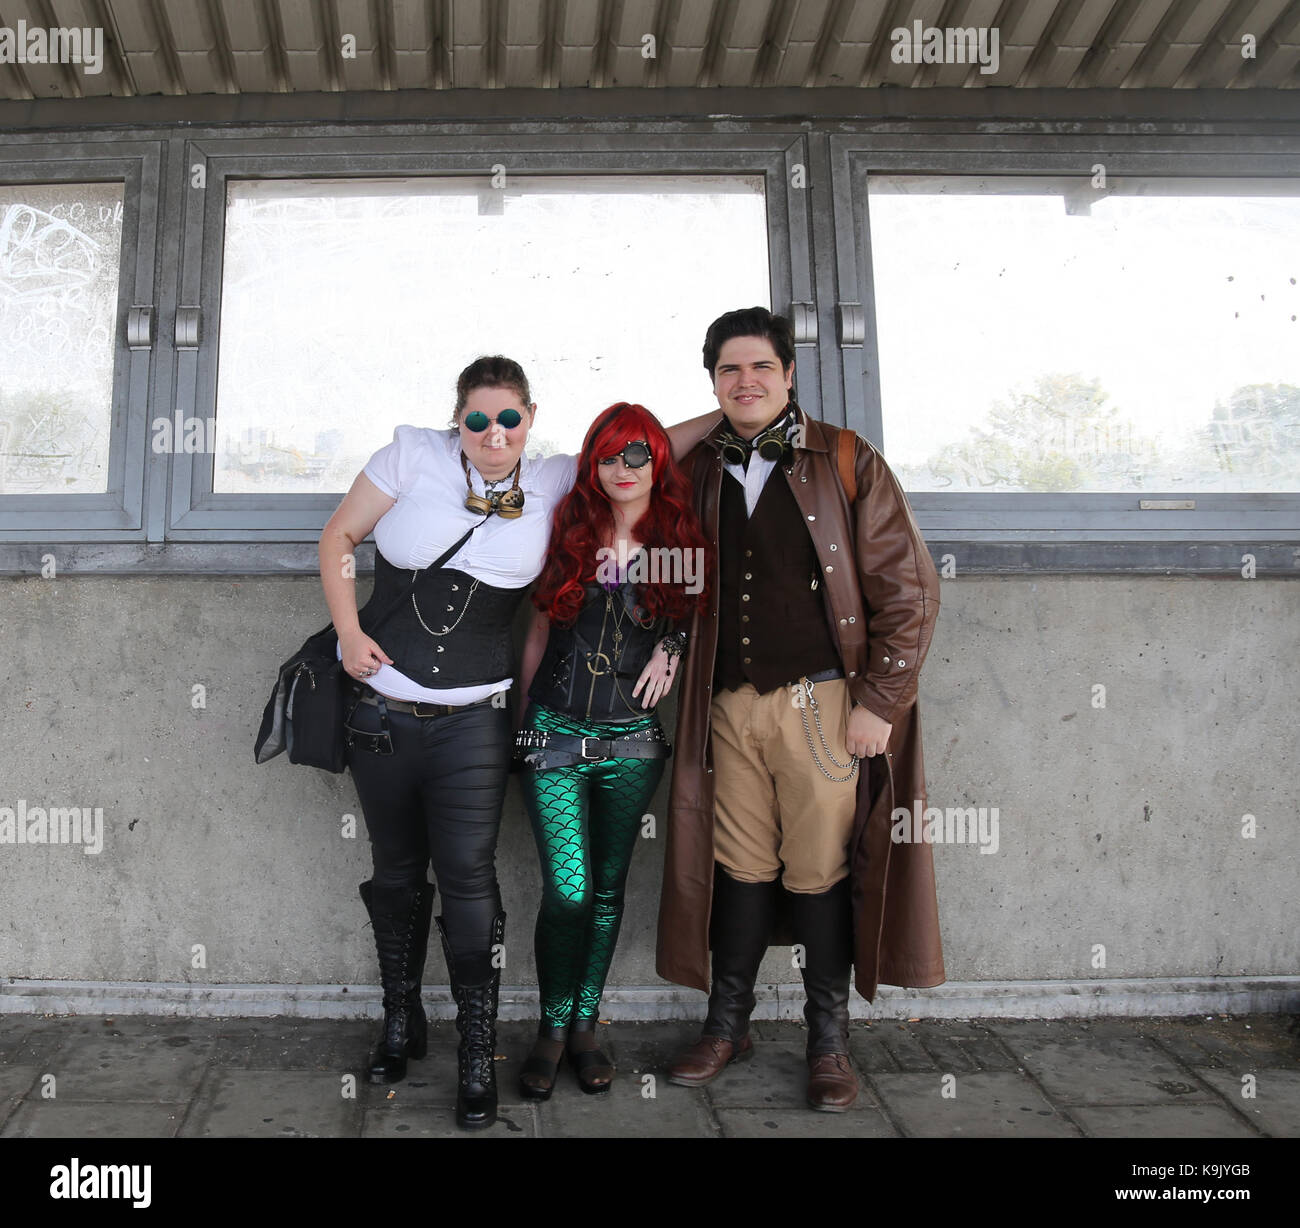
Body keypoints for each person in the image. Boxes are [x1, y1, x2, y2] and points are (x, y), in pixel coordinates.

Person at [319, 360, 718, 1130]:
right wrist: (346, 631)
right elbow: (340, 534)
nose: (493, 434)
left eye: (508, 420)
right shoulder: (412, 456)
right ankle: (401, 1022)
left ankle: (481, 1054)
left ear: (531, 418)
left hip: (479, 716)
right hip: (382, 709)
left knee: (471, 878)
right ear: (456, 420)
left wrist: (736, 406)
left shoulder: (557, 480)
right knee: (396, 873)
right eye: (477, 420)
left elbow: (642, 447)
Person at [656, 307, 944, 1112]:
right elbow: (624, 458)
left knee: (821, 873)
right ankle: (728, 1023)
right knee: (738, 869)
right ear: (712, 384)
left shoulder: (848, 459)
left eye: (759, 368)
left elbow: (910, 590)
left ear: (789, 374)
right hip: (726, 706)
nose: (745, 382)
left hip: (823, 705)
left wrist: (879, 703)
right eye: (727, 371)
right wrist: (723, 423)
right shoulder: (702, 469)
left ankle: (828, 1041)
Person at [513, 403, 709, 1099]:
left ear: (659, 461)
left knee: (606, 891)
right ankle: (550, 1027)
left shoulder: (681, 540)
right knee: (568, 889)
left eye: (638, 456)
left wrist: (674, 646)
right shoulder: (568, 530)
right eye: (609, 456)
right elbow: (537, 633)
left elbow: (691, 617)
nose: (623, 470)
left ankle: (587, 1028)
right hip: (556, 731)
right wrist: (522, 725)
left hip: (633, 742)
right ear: (592, 464)